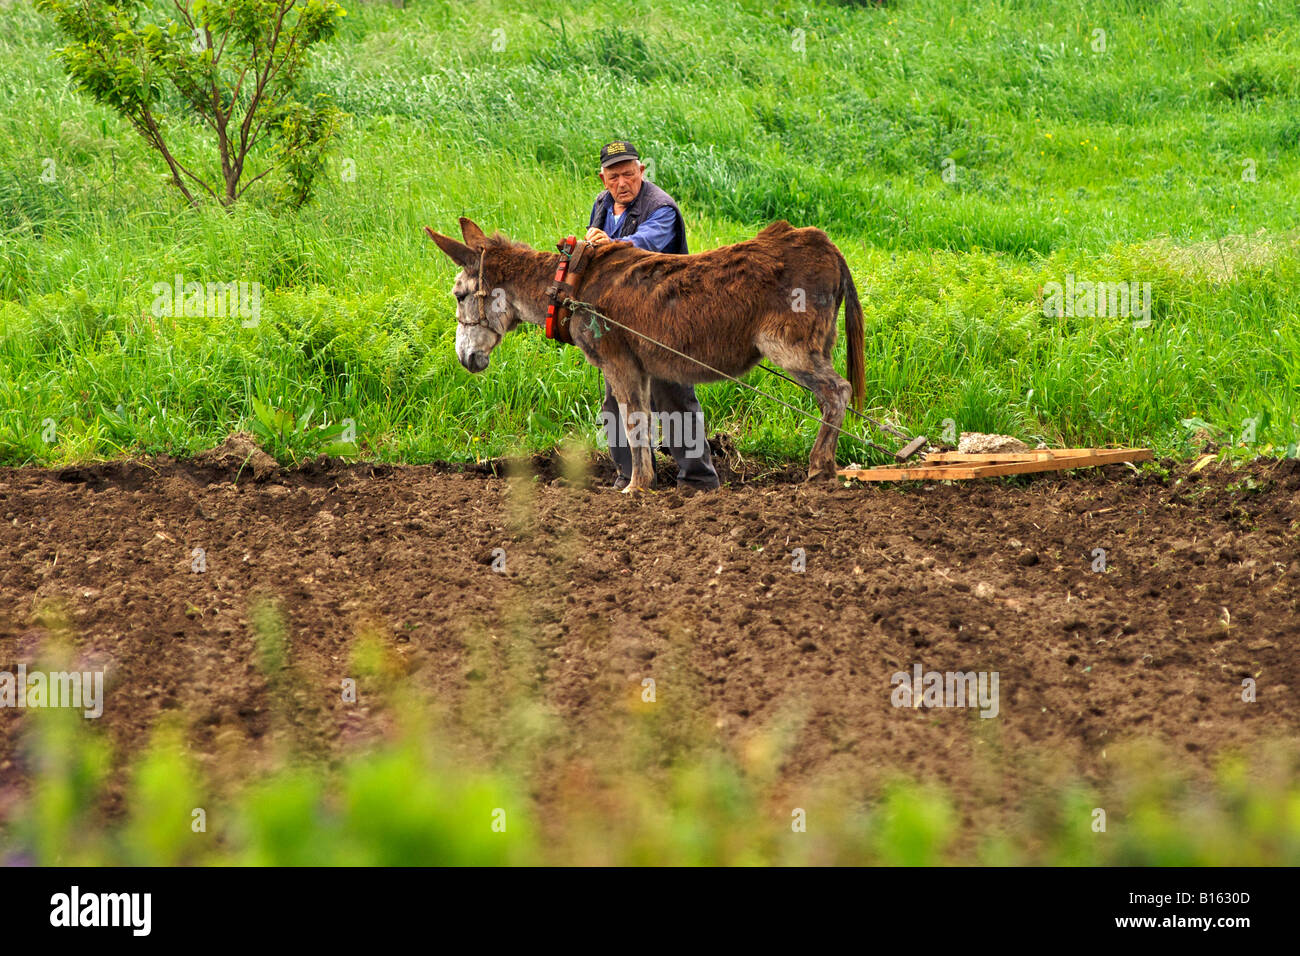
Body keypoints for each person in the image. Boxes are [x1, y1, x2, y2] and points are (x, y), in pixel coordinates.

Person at [585, 140, 720, 492]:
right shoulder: (601, 205)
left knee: (672, 395)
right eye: (614, 176)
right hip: (619, 322)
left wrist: (609, 246)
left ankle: (698, 480)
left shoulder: (661, 208)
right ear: (603, 179)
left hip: (664, 319)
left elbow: (645, 244)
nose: (622, 183)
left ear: (641, 171)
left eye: (629, 174)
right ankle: (628, 474)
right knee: (615, 398)